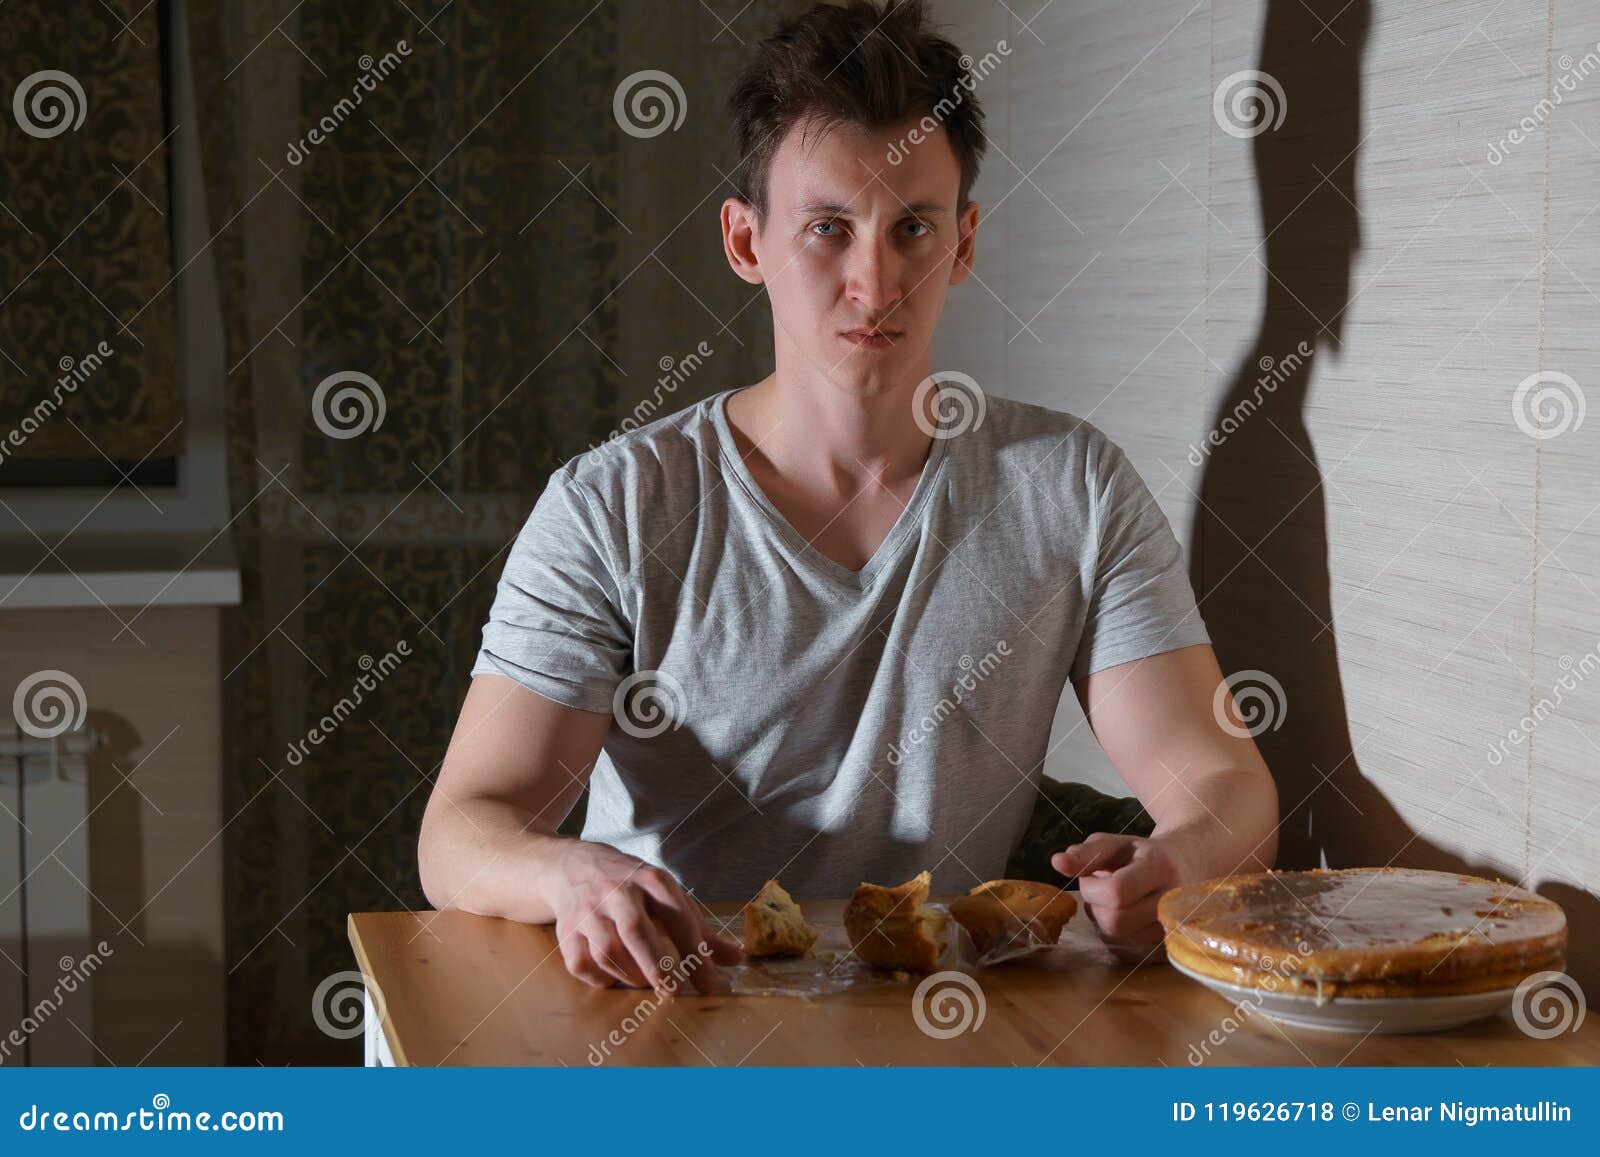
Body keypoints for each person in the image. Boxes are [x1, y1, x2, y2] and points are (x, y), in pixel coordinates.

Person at [418, 0, 1277, 996]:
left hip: (938, 1024)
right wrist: (566, 871)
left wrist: (1179, 858)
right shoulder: (611, 507)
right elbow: (462, 827)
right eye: (828, 228)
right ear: (747, 243)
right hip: (673, 1013)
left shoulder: (1073, 485)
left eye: (911, 228)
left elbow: (1224, 781)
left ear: (961, 244)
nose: (875, 283)